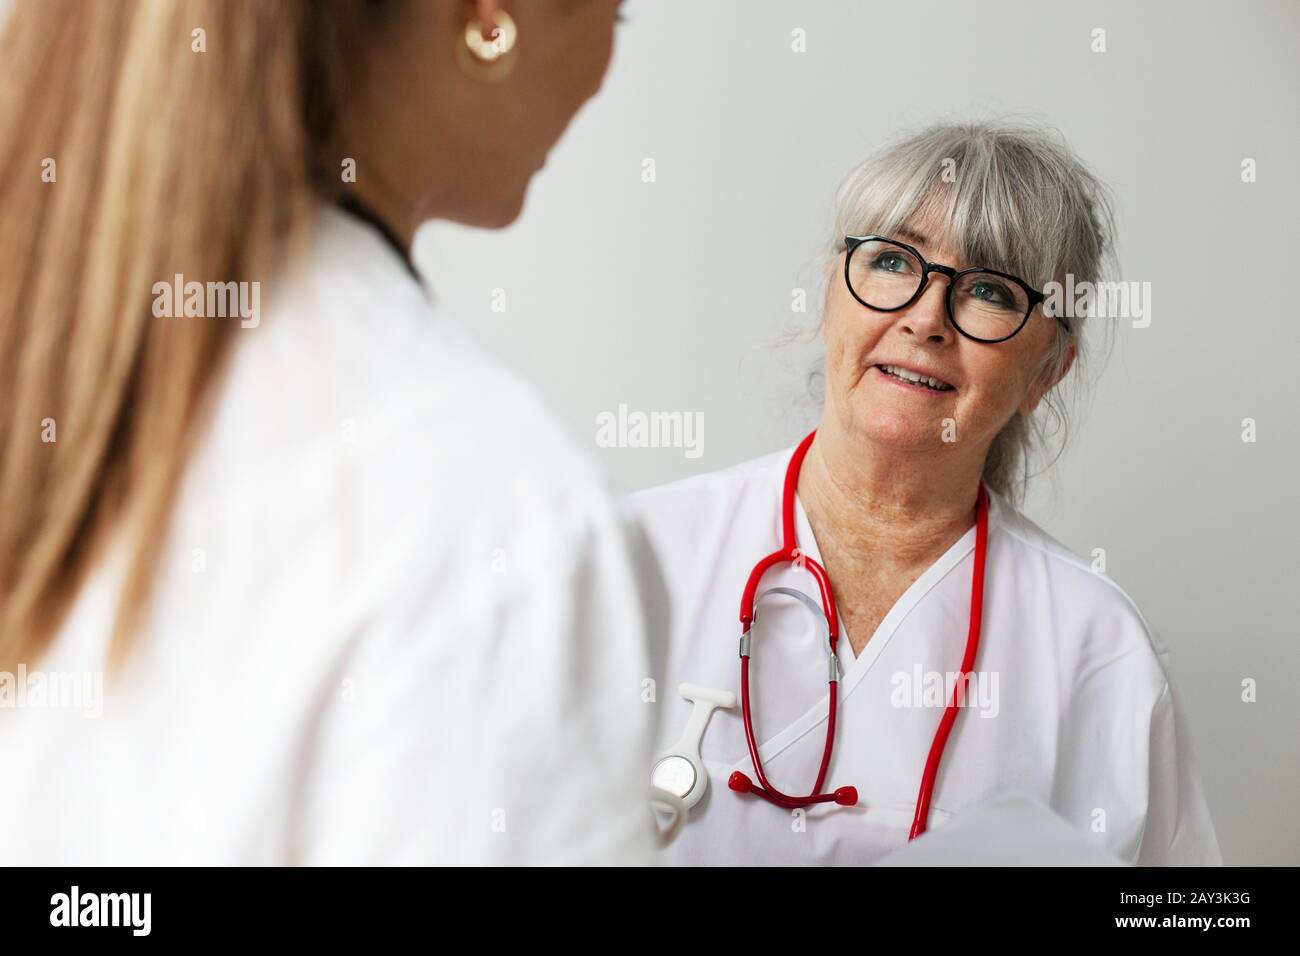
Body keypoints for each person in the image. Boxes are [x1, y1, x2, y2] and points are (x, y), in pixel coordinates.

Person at [0, 0, 659, 865]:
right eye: (622, 10)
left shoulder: (59, 376)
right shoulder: (493, 522)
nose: (610, 57)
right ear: (490, 18)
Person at [629, 121, 1222, 866]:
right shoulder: (635, 557)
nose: (924, 319)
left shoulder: (1097, 650)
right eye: (889, 260)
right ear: (829, 295)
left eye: (988, 291)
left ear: (1047, 372)